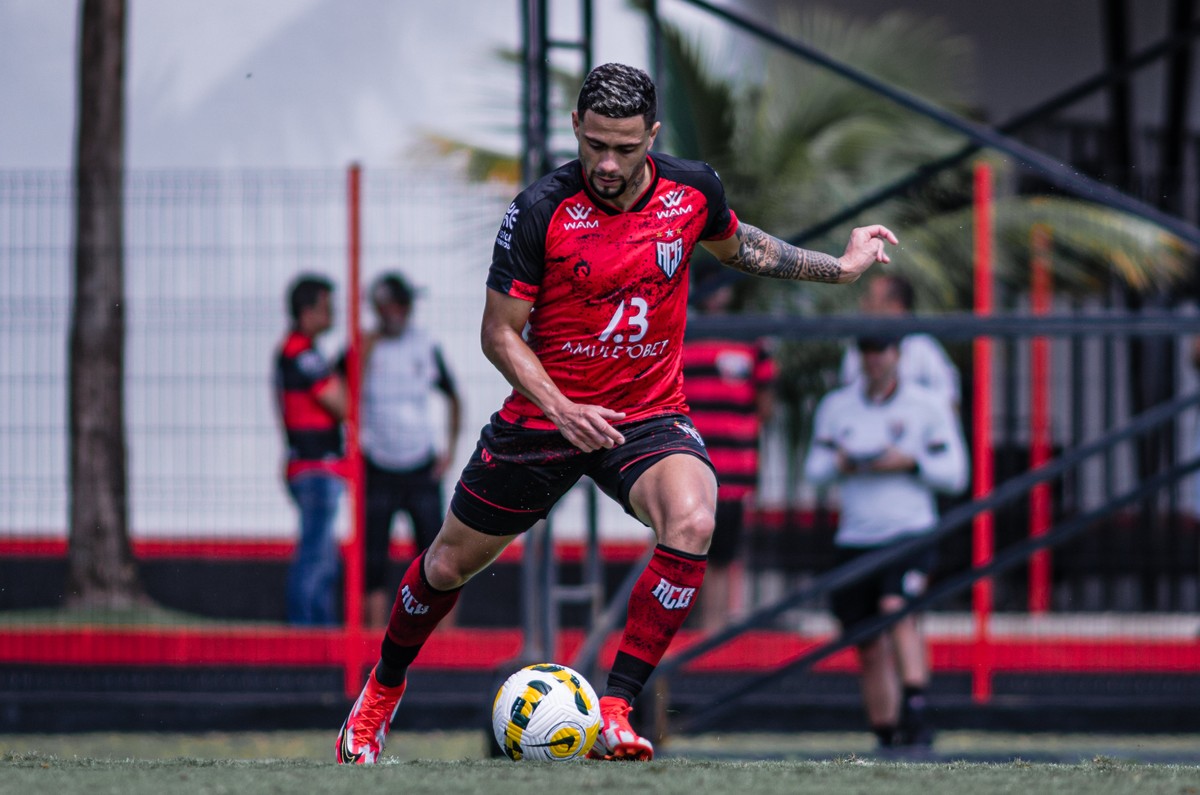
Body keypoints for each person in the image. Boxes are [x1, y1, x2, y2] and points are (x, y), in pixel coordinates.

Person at [335, 62, 897, 765]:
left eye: (625, 149)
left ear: (652, 136)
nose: (606, 162)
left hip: (648, 410)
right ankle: (378, 697)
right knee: (447, 564)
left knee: (693, 517)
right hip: (547, 412)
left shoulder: (693, 190)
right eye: (594, 144)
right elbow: (499, 332)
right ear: (576, 127)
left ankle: (617, 708)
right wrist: (562, 407)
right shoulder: (540, 210)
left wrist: (838, 268)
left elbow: (743, 245)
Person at [803, 335, 968, 751]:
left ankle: (916, 708)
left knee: (896, 609)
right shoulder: (837, 406)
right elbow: (815, 470)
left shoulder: (927, 406)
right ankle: (886, 734)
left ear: (899, 355)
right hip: (855, 537)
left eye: (882, 351)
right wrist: (843, 461)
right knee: (869, 644)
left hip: (910, 531)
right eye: (867, 352)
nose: (874, 360)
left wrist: (910, 462)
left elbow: (955, 474)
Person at [357, 272, 462, 628]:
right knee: (373, 560)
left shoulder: (425, 345)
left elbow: (453, 397)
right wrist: (364, 351)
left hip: (420, 464)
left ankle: (445, 641)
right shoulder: (365, 348)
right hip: (378, 464)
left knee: (441, 557)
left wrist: (450, 448)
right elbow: (342, 393)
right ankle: (372, 639)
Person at [681, 279, 775, 632]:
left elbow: (766, 405)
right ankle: (690, 633)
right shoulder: (677, 335)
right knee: (682, 552)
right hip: (684, 466)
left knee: (718, 558)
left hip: (731, 472)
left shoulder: (750, 340)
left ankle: (711, 632)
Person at [274, 274, 347, 626]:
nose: (332, 315)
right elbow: (340, 404)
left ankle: (319, 636)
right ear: (307, 312)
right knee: (316, 558)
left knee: (323, 558)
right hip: (315, 469)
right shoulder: (300, 353)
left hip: (314, 468)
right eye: (325, 308)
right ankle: (308, 636)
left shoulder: (301, 352)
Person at [839, 273, 960, 410]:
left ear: (895, 306)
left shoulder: (922, 348)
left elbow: (950, 401)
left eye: (870, 298)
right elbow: (848, 399)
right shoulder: (858, 348)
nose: (863, 303)